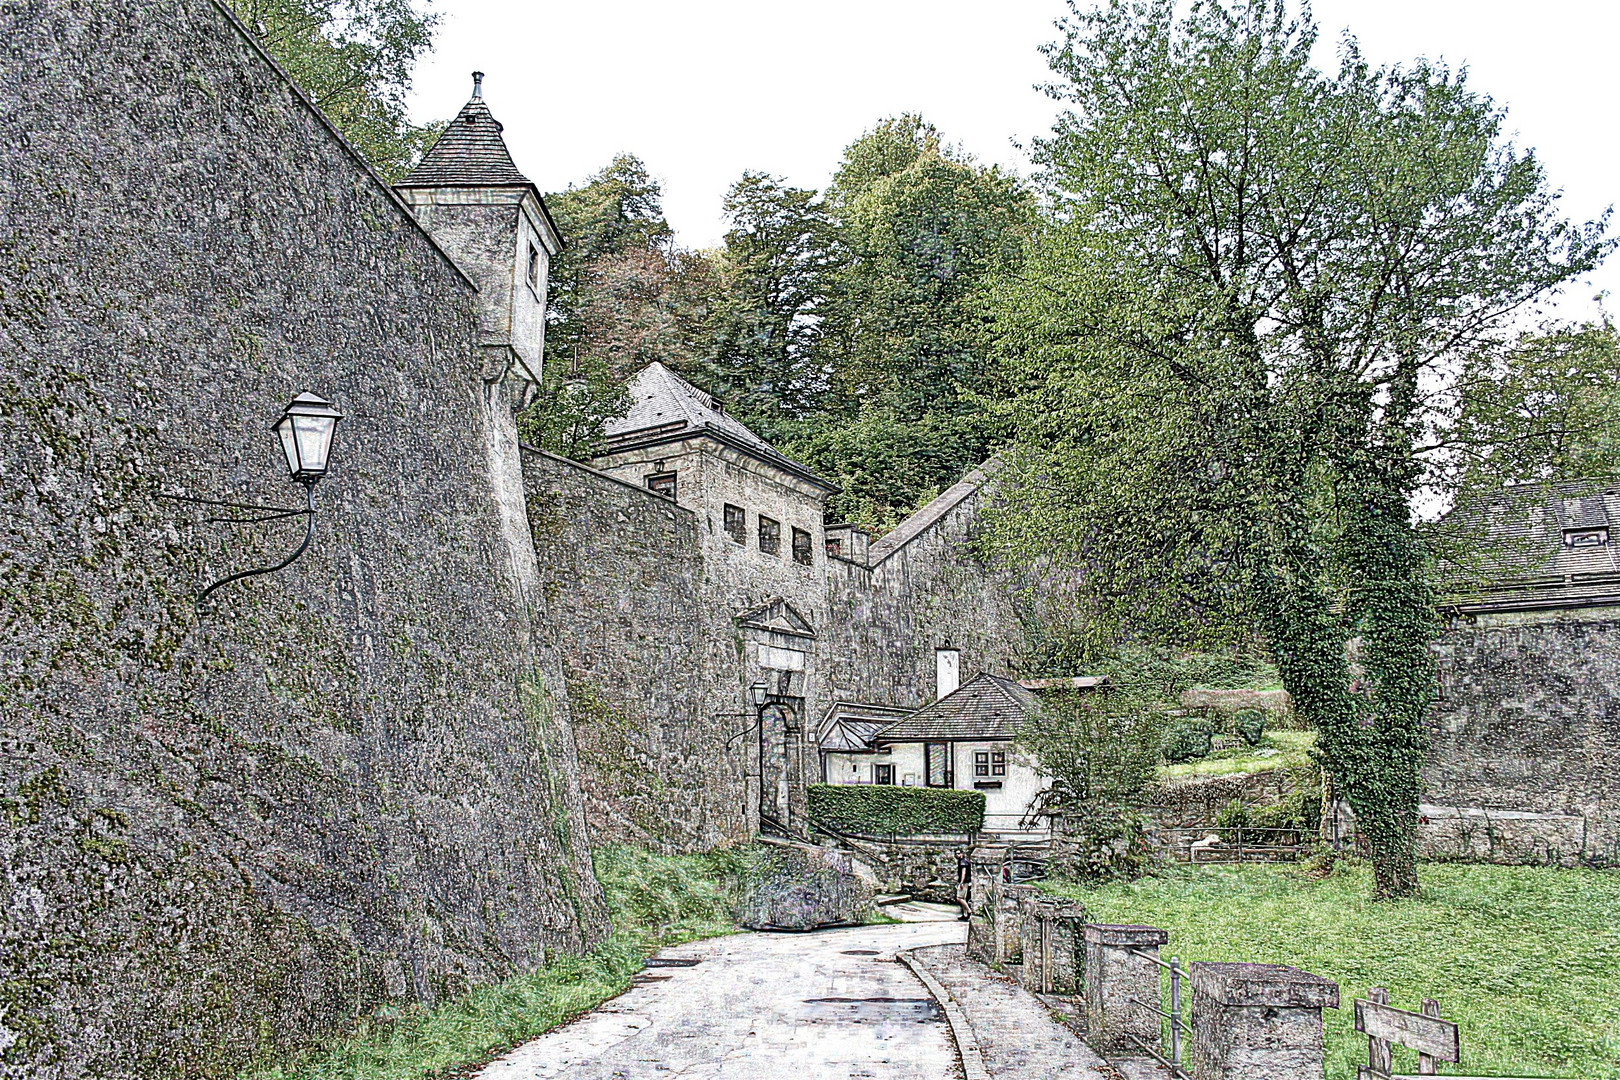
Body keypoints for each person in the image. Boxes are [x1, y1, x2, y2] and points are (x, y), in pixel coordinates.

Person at [954, 847, 972, 921]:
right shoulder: (964, 861)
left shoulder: (963, 862)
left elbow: (963, 873)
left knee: (959, 898)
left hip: (964, 882)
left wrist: (961, 882)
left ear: (961, 854)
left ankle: (969, 911)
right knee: (963, 898)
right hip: (966, 882)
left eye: (959, 853)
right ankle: (965, 915)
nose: (957, 855)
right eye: (956, 854)